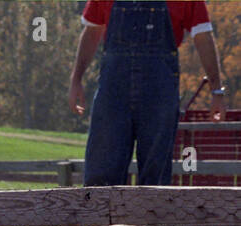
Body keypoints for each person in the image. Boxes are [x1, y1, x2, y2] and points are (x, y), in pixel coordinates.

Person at [69, 1, 227, 186]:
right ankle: (101, 214)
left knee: (155, 181)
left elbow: (203, 36)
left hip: (159, 97)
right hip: (113, 97)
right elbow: (92, 31)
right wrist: (76, 79)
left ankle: (151, 215)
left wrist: (216, 90)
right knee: (101, 178)